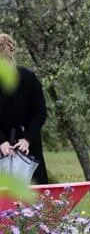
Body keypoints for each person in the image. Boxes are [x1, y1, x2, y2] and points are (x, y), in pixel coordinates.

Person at [0, 33, 49, 184]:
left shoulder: (28, 78)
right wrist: (1, 141)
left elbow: (39, 112)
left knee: (35, 195)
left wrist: (27, 139)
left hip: (28, 146)